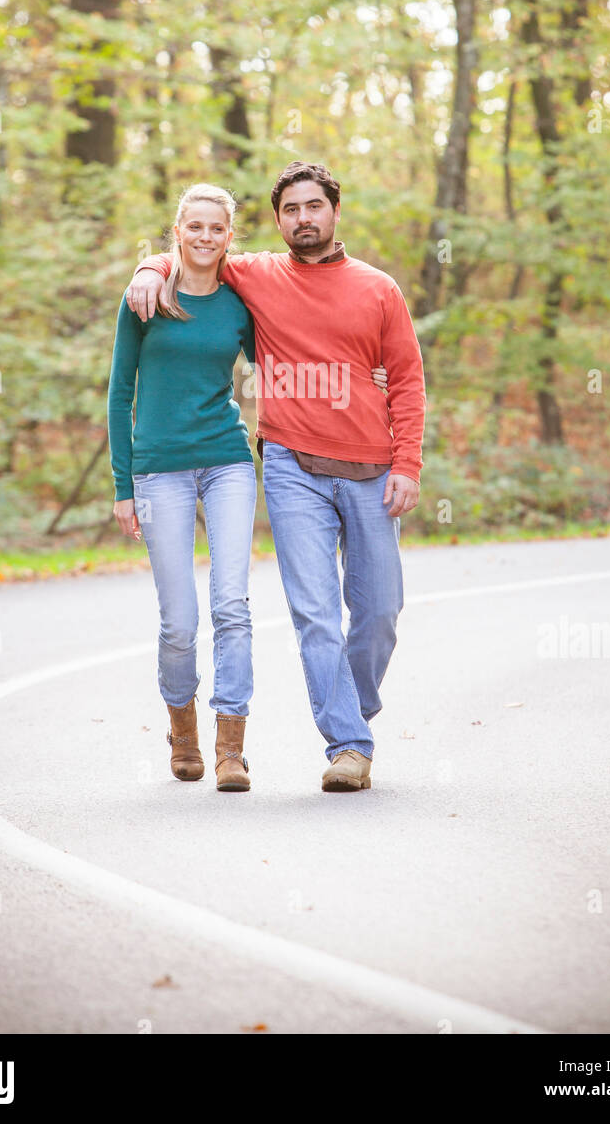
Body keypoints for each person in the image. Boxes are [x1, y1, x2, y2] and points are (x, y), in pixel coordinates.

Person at [125, 161, 426, 793]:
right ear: (277, 222)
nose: (303, 219)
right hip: (290, 465)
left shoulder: (379, 289)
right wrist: (148, 266)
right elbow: (194, 251)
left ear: (334, 212)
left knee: (379, 613)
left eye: (313, 207)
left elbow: (406, 379)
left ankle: (352, 703)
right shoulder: (256, 274)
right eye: (291, 210)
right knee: (314, 613)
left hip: (371, 468)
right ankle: (348, 745)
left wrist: (408, 464)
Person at [107, 183, 257, 791]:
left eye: (216, 229)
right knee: (179, 619)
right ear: (177, 233)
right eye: (193, 227)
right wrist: (123, 484)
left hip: (227, 460)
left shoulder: (241, 303)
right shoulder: (145, 296)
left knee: (232, 605)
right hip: (159, 468)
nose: (204, 237)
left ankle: (230, 746)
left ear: (228, 237)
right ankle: (184, 729)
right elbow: (120, 394)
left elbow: (285, 363)